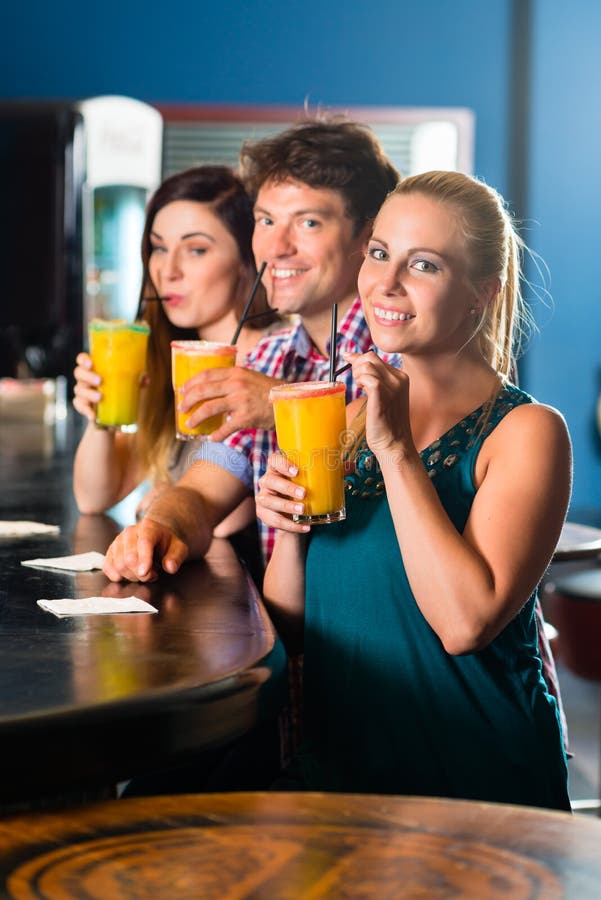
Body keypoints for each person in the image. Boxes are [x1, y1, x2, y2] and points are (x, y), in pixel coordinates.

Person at [256, 170, 572, 810]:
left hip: (474, 785)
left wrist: (397, 452)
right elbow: (296, 627)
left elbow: (465, 623)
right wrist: (287, 532)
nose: (384, 284)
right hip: (344, 777)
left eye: (422, 264)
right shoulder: (344, 421)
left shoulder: (526, 433)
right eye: (379, 253)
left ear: (484, 292)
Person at [101, 117, 401, 583]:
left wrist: (280, 404)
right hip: (300, 644)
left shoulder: (406, 344)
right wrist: (160, 527)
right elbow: (201, 495)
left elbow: (400, 423)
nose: (276, 247)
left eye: (308, 222)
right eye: (265, 220)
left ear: (368, 237)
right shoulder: (270, 357)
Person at [72, 165, 278, 524]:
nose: (168, 271)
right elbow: (93, 497)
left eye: (196, 250)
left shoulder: (275, 359)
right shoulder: (175, 360)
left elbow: (229, 520)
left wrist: (175, 499)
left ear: (247, 259)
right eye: (158, 248)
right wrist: (100, 417)